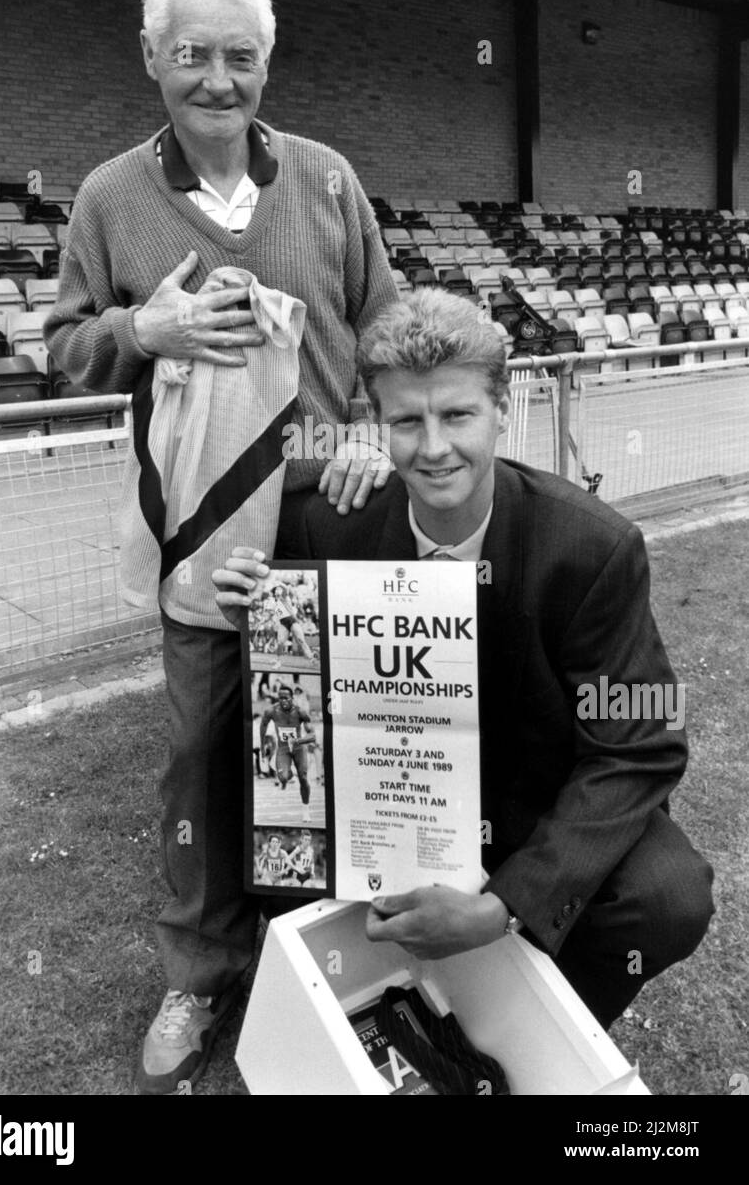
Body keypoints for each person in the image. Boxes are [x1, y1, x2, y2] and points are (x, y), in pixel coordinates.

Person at [43, 0, 397, 1095]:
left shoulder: (331, 181)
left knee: (348, 738)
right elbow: (59, 349)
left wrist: (374, 432)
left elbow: (394, 331)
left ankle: (348, 944)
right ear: (150, 56)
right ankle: (200, 967)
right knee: (202, 753)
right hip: (206, 536)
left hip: (334, 517)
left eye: (239, 56)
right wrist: (137, 334)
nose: (216, 78)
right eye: (191, 53)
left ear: (267, 63)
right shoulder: (109, 198)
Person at [214, 288, 715, 1031]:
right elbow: (301, 718)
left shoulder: (591, 548)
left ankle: (533, 1031)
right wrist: (265, 633)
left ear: (502, 412)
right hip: (391, 803)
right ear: (376, 426)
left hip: (530, 802)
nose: (434, 446)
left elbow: (639, 748)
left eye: (457, 415)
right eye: (407, 422)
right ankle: (345, 1000)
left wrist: (505, 906)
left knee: (667, 895)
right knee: (228, 759)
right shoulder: (325, 529)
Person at [261, 685, 317, 822]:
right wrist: (262, 746)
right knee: (284, 778)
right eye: (280, 698)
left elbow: (313, 735)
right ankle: (287, 774)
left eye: (286, 698)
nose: (283, 701)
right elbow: (263, 725)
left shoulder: (300, 712)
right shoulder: (271, 711)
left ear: (292, 698)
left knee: (303, 777)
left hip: (298, 748)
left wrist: (297, 740)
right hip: (283, 749)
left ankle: (306, 810)